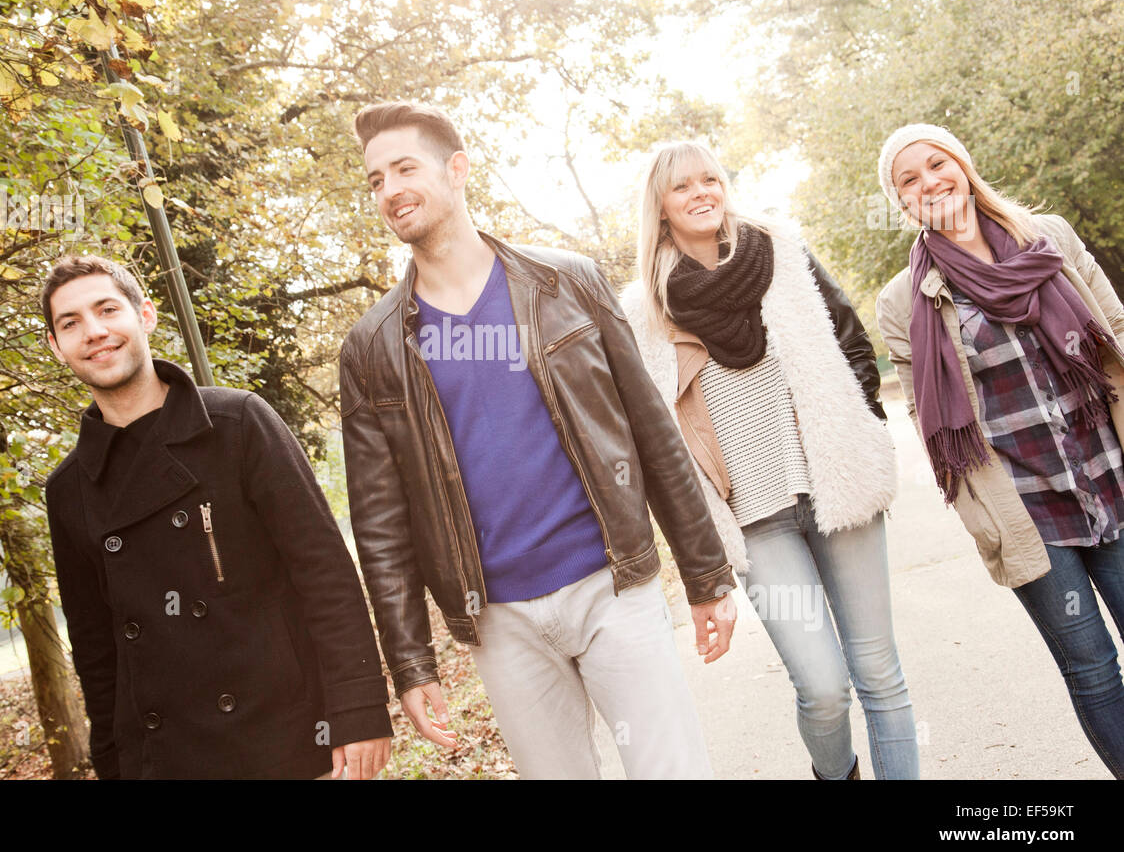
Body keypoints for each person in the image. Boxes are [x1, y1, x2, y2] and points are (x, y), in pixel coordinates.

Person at [339, 101, 737, 779]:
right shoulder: (372, 346)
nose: (390, 190)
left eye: (405, 168)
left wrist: (706, 575)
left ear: (457, 169)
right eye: (376, 180)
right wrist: (411, 665)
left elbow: (650, 428)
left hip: (614, 587)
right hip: (499, 623)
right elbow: (380, 524)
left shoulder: (568, 281)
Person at [623, 141, 918, 780]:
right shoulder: (645, 311)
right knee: (822, 688)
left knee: (879, 673)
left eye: (710, 178)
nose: (702, 192)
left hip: (838, 489)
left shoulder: (781, 253)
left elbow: (852, 344)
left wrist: (859, 425)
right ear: (662, 208)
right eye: (683, 187)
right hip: (755, 522)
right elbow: (654, 438)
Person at [41, 255, 392, 779]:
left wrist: (358, 708)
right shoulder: (68, 489)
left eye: (107, 309)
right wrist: (114, 766)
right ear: (55, 345)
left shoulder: (237, 423)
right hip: (166, 760)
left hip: (289, 739)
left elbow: (324, 573)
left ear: (146, 315)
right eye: (70, 323)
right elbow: (95, 650)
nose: (94, 332)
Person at [876, 123, 1124, 778]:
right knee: (1092, 667)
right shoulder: (905, 302)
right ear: (901, 201)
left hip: (1111, 472)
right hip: (1028, 510)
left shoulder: (1051, 238)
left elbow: (1116, 328)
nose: (929, 181)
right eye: (910, 178)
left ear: (962, 164)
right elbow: (936, 425)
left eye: (937, 163)